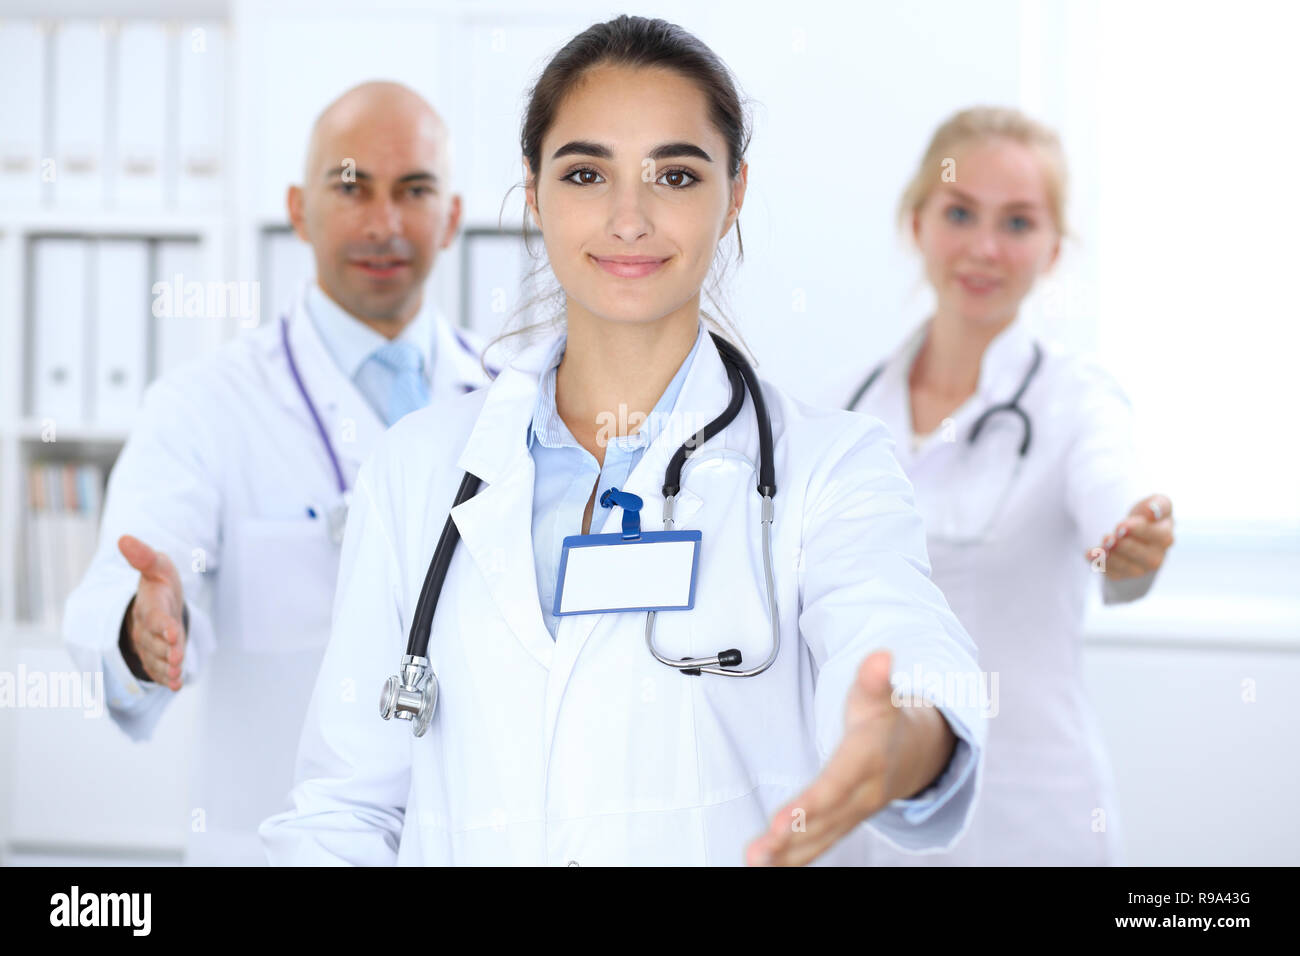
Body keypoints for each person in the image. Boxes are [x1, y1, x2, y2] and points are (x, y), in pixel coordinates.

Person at [261, 15, 987, 867]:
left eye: (674, 174)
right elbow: (344, 810)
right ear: (532, 191)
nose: (630, 218)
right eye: (585, 173)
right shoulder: (418, 469)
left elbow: (894, 637)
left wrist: (899, 734)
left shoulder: (828, 469)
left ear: (735, 192)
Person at [62, 81, 491, 865]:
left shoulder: (506, 400)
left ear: (453, 216)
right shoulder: (204, 405)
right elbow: (125, 577)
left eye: (415, 190)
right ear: (299, 209)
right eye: (351, 185)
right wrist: (141, 631)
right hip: (273, 844)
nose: (384, 223)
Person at [845, 106, 1175, 865]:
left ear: (1055, 247)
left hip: (1032, 809)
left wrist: (1135, 539)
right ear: (916, 221)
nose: (985, 248)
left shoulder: (1077, 398)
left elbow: (1115, 497)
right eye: (960, 212)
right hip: (876, 811)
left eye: (1019, 223)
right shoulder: (845, 407)